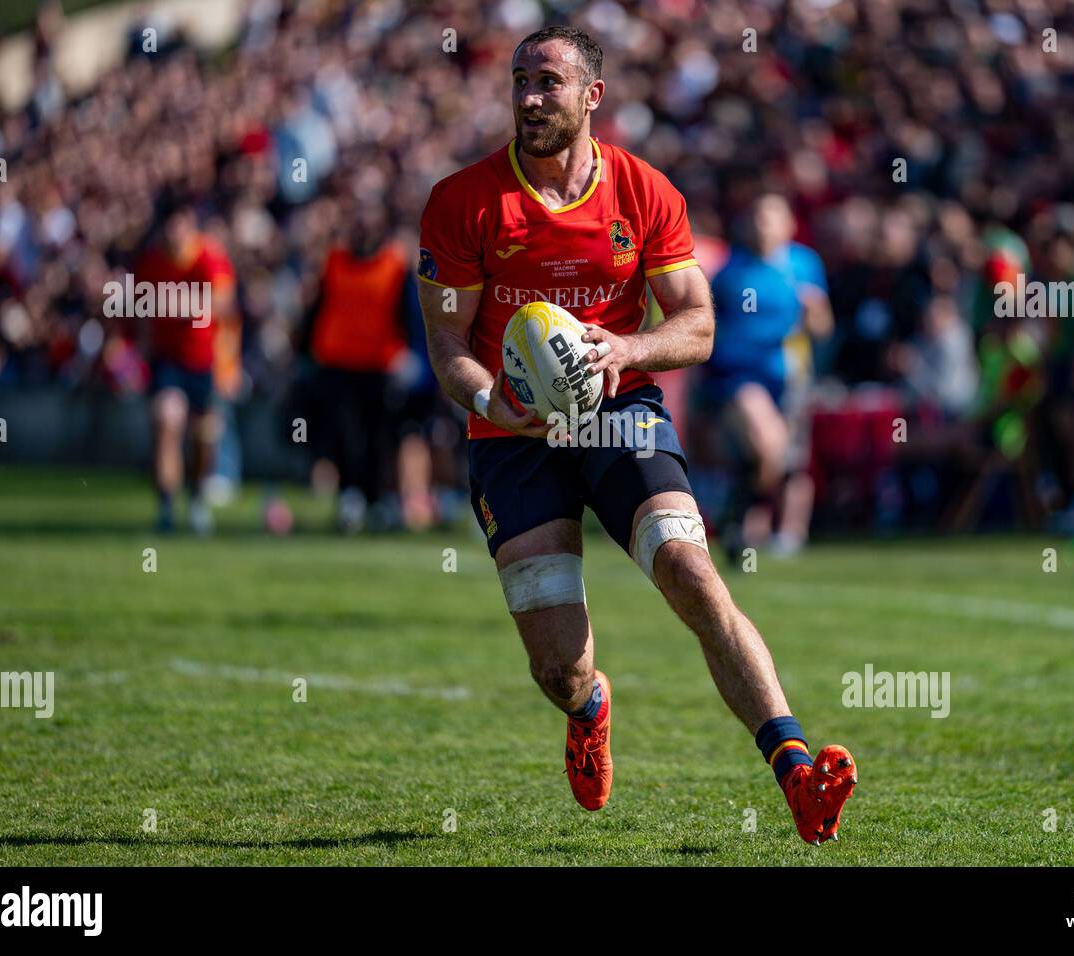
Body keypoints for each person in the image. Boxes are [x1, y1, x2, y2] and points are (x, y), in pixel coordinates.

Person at [416, 27, 856, 845]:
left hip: (619, 411)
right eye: (520, 81)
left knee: (692, 573)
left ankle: (795, 768)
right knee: (559, 666)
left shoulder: (644, 191)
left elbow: (696, 325)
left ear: (593, 96)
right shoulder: (463, 201)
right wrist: (497, 401)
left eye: (548, 82)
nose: (529, 97)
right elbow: (448, 346)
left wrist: (626, 348)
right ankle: (589, 707)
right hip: (510, 436)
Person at [699, 193, 832, 558]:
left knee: (778, 461)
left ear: (789, 224)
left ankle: (737, 518)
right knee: (768, 443)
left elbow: (822, 327)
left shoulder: (804, 264)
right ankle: (740, 517)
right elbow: (709, 326)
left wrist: (815, 314)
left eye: (771, 217)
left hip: (789, 377)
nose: (762, 225)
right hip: (740, 376)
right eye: (756, 216)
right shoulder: (730, 271)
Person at [304, 206, 412, 532]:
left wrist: (406, 355)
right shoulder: (334, 261)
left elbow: (406, 313)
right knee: (344, 433)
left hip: (379, 363)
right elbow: (317, 308)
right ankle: (349, 495)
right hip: (338, 361)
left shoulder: (395, 264)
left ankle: (377, 499)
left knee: (379, 435)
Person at [136, 202, 236, 534]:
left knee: (204, 436)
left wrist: (183, 304)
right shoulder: (151, 262)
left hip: (204, 362)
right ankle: (166, 505)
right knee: (167, 418)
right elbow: (142, 313)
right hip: (168, 362)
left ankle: (197, 498)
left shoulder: (209, 257)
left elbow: (222, 304)